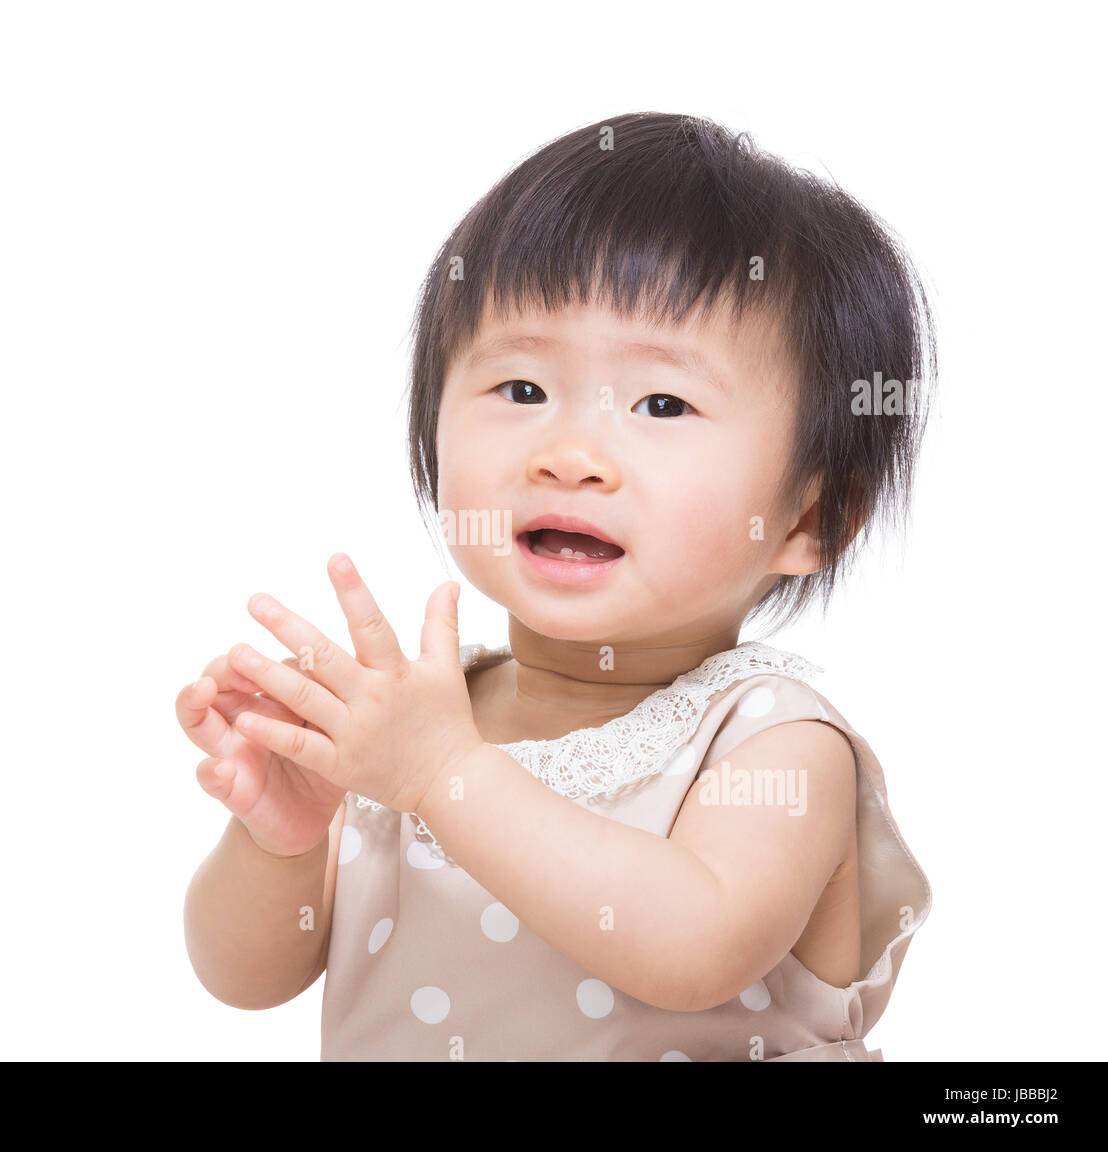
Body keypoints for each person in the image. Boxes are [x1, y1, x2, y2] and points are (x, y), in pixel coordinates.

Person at [178, 112, 935, 1061]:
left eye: (663, 404)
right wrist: (281, 840)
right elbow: (245, 980)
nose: (571, 457)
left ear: (806, 520)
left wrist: (443, 775)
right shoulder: (415, 716)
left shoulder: (771, 742)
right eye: (524, 391)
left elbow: (692, 948)